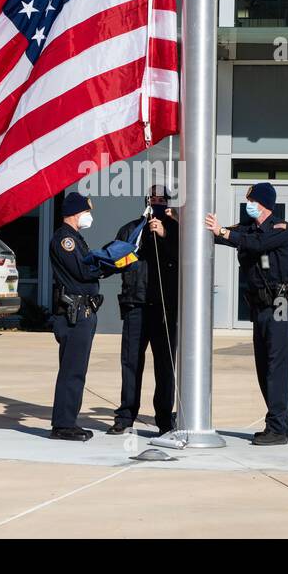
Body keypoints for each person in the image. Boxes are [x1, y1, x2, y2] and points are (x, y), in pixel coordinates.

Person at [205, 182, 288, 446]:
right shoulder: (248, 229)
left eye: (251, 200)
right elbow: (225, 236)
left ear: (263, 203)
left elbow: (257, 244)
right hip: (259, 305)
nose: (248, 204)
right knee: (264, 368)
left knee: (276, 367)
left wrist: (223, 230)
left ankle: (277, 428)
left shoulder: (280, 228)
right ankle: (285, 423)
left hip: (280, 304)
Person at [48, 192, 119, 441]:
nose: (89, 216)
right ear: (77, 213)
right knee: (72, 371)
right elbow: (83, 270)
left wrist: (112, 262)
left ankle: (67, 421)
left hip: (83, 311)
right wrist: (113, 262)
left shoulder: (75, 238)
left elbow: (89, 267)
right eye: (87, 212)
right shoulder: (65, 240)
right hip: (74, 313)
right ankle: (63, 425)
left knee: (77, 370)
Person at [109, 185, 178, 436]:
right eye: (153, 199)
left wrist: (165, 234)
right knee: (131, 362)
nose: (156, 203)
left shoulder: (176, 229)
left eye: (162, 200)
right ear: (146, 202)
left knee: (164, 364)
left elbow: (183, 258)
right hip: (135, 304)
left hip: (163, 308)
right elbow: (116, 257)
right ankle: (126, 415)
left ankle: (164, 418)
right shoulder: (130, 229)